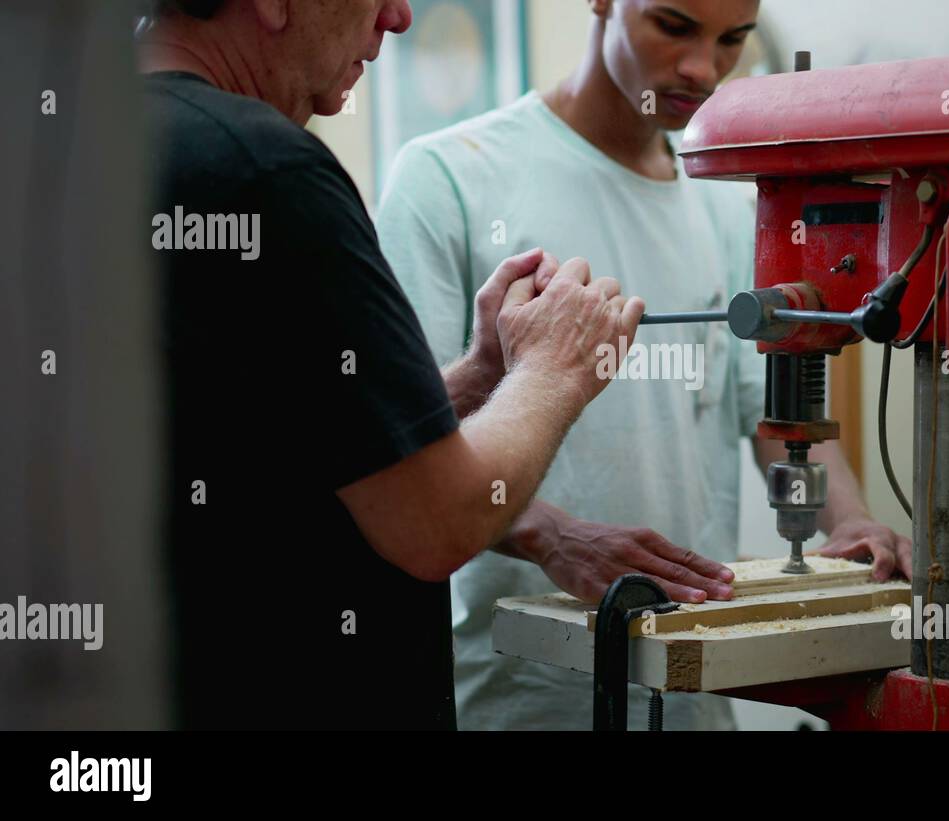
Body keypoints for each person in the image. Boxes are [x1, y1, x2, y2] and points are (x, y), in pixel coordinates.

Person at [377, 0, 913, 730]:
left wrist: (849, 521)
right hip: (525, 697)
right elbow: (407, 454)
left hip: (691, 691)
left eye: (732, 39)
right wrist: (555, 535)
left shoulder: (724, 209)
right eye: (673, 26)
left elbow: (770, 416)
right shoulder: (448, 178)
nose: (703, 68)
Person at [137, 0, 655, 729]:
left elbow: (280, 455)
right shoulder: (268, 169)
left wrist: (480, 376)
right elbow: (435, 523)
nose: (399, 17)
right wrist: (555, 368)